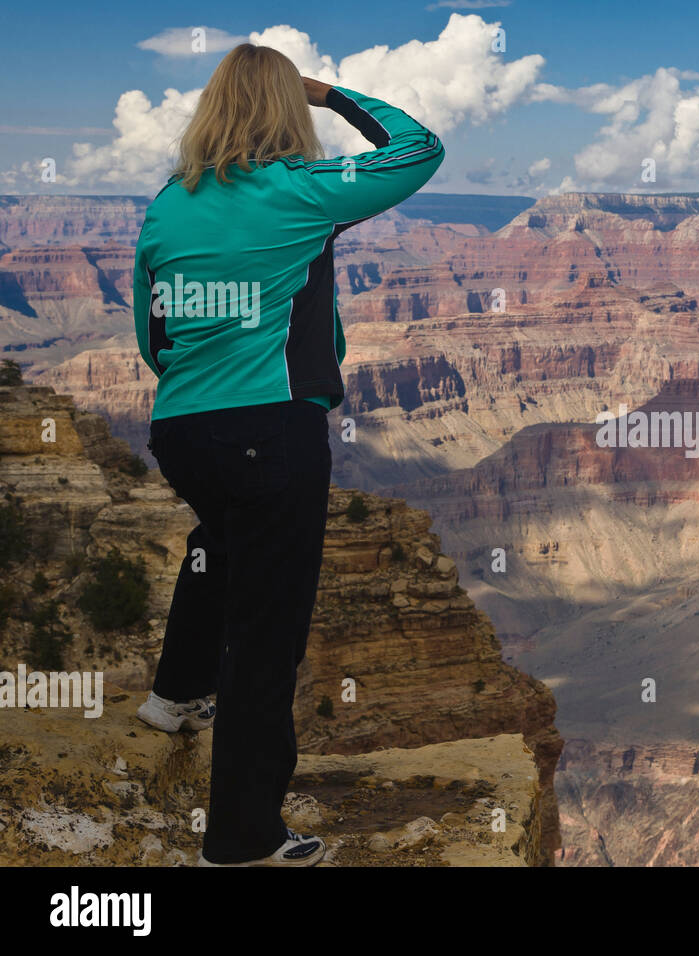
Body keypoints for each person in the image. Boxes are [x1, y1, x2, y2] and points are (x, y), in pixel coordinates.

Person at [131, 43, 445, 866]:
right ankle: (240, 840)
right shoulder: (302, 193)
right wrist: (332, 94)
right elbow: (419, 150)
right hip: (270, 430)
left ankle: (172, 695)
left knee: (216, 546)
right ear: (285, 113)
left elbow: (151, 335)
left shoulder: (167, 204)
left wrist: (201, 395)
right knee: (267, 638)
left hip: (180, 428)